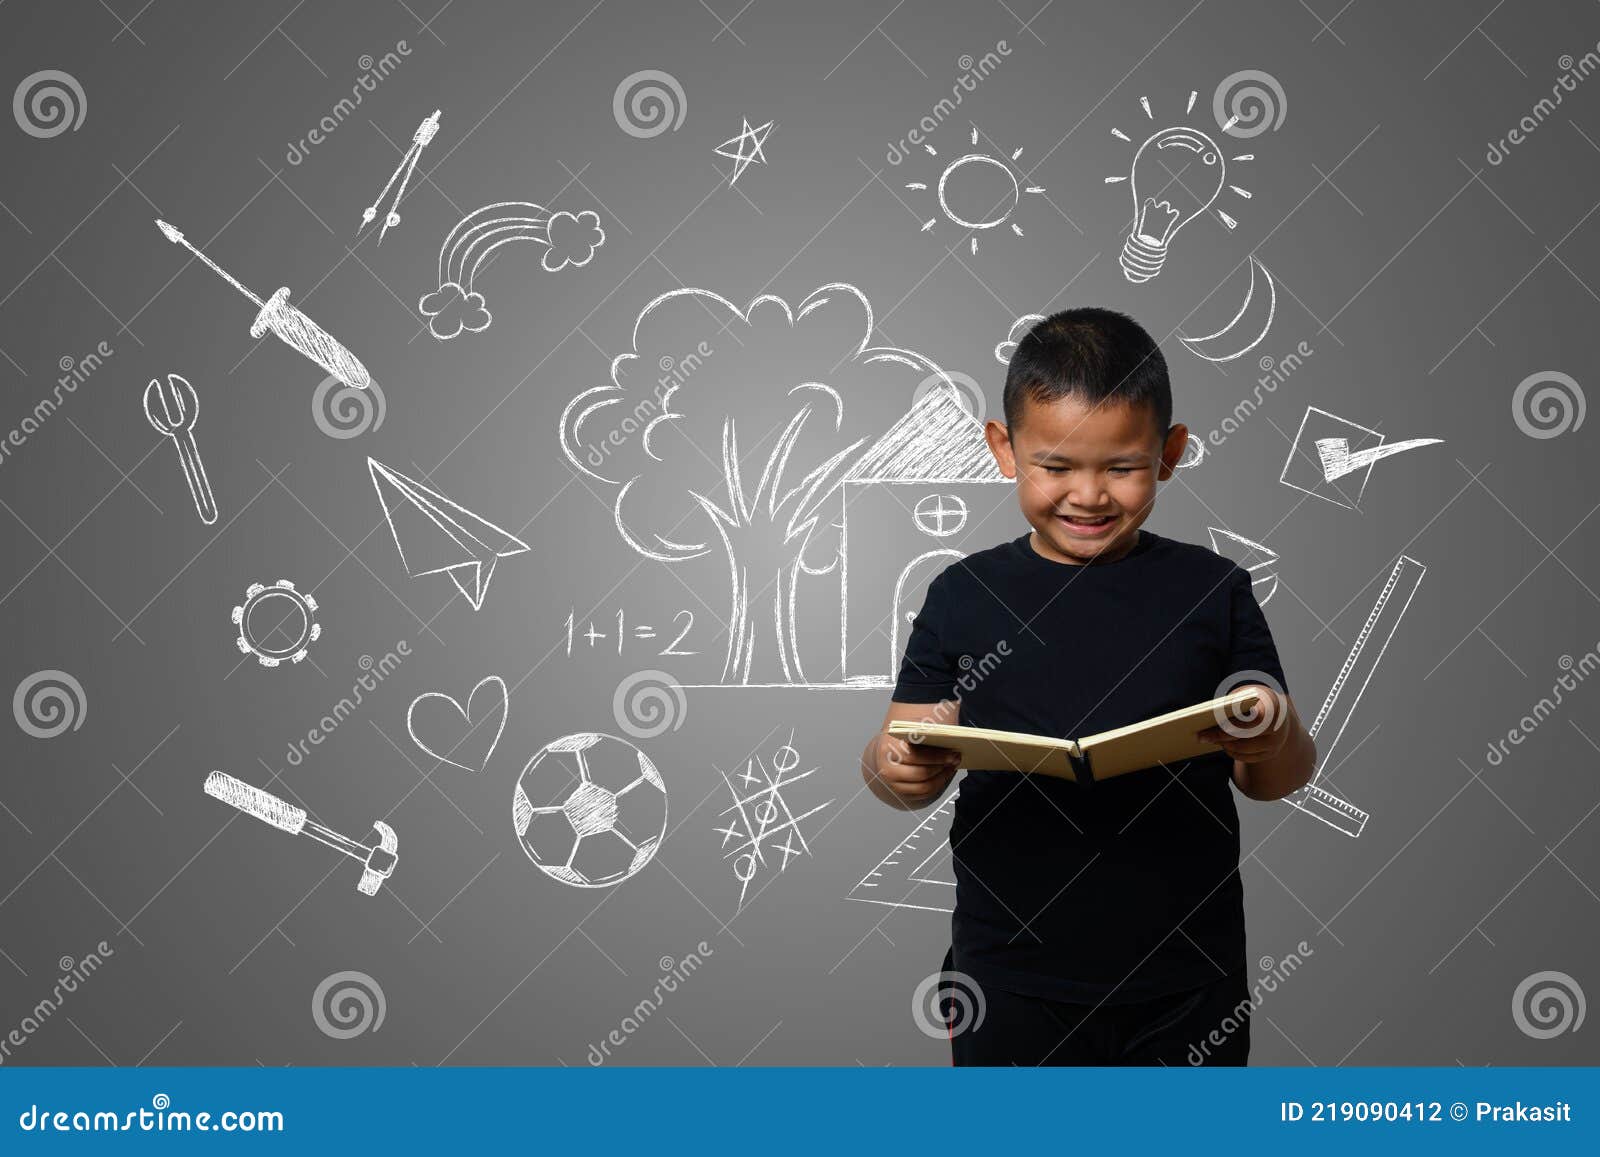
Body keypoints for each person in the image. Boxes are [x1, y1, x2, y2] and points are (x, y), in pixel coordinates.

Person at [859, 308, 1317, 1066]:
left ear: (1171, 453)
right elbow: (897, 769)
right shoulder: (962, 594)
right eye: (1057, 466)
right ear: (1003, 450)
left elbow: (1274, 780)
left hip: (1187, 976)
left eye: (1122, 467)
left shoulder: (1215, 591)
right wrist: (894, 763)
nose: (1090, 495)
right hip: (1008, 972)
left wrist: (1275, 735)